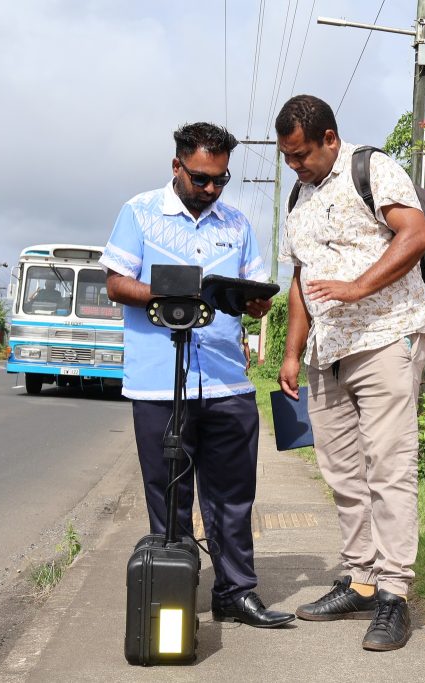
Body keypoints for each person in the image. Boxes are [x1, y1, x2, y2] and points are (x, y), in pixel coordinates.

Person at [101, 122, 294, 629]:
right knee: (169, 499)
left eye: (221, 180)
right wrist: (172, 295)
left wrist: (253, 303)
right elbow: (117, 284)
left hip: (228, 382)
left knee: (233, 497)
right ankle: (176, 600)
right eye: (202, 179)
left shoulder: (237, 222)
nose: (211, 189)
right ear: (177, 166)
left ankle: (236, 593)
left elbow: (255, 298)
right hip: (160, 381)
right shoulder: (138, 213)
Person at [274, 95, 425, 651]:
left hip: (384, 337)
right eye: (287, 157)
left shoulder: (371, 167)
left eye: (301, 155)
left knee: (388, 467)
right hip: (328, 350)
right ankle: (360, 580)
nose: (294, 165)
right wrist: (293, 351)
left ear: (329, 138)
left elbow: (416, 235)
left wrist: (356, 287)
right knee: (342, 471)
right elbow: (301, 279)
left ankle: (394, 594)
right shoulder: (299, 196)